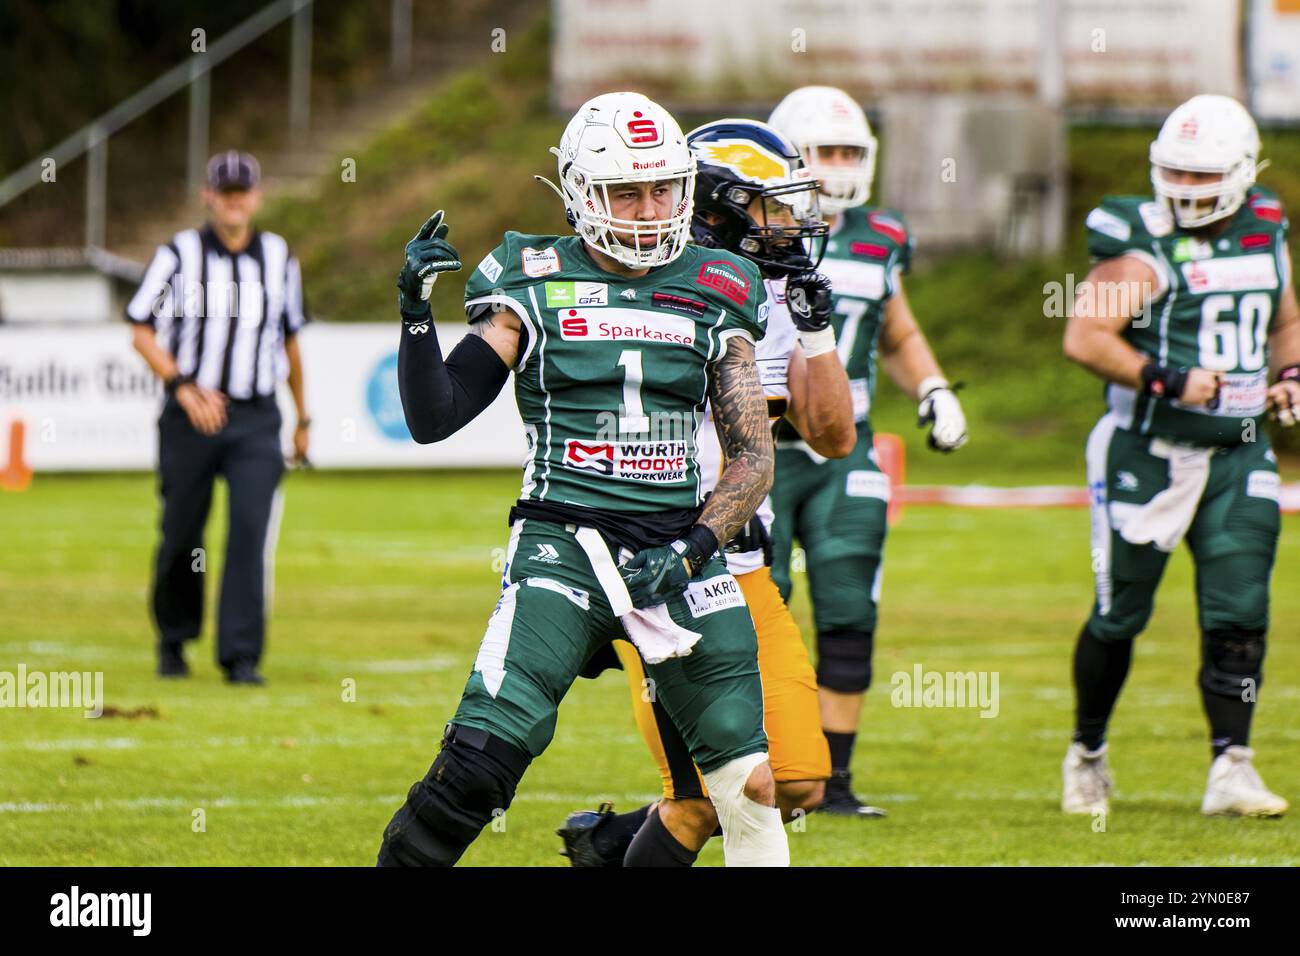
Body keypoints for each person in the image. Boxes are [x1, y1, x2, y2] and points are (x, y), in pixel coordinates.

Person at [376, 91, 790, 867]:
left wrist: (696, 545)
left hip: (677, 553)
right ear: (578, 192)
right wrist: (414, 315)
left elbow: (753, 458)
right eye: (625, 190)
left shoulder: (722, 283)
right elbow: (437, 415)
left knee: (752, 784)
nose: (647, 208)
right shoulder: (528, 275)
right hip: (563, 542)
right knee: (478, 769)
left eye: (663, 187)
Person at [556, 117, 856, 866]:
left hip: (744, 564)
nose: (788, 224)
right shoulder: (649, 286)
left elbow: (833, 438)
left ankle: (611, 844)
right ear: (719, 209)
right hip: (660, 566)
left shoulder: (771, 295)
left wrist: (815, 333)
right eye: (770, 206)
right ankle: (624, 844)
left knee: (800, 782)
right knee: (709, 798)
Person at [1062, 94, 1299, 817]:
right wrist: (1168, 379)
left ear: (1240, 173)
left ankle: (1232, 766)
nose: (1186, 189)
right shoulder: (1143, 239)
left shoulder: (1265, 225)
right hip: (1148, 450)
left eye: (1202, 176)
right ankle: (1087, 753)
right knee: (1119, 614)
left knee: (1241, 605)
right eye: (1175, 172)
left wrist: (1290, 376)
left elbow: (1286, 320)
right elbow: (1085, 336)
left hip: (1238, 453)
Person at [767, 86, 968, 815]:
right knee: (764, 610)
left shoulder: (881, 234)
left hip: (844, 449)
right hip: (759, 447)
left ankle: (835, 780)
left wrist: (934, 389)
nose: (838, 166)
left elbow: (898, 331)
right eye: (824, 151)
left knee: (851, 606)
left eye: (850, 152)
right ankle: (765, 771)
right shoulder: (753, 229)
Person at [125, 150, 311, 685]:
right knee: (183, 529)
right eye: (224, 191)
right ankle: (174, 637)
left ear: (255, 196)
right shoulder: (180, 254)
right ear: (209, 195)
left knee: (250, 527)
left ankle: (241, 654)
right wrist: (181, 385)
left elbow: (292, 340)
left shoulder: (279, 257)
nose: (233, 200)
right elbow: (139, 326)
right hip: (191, 415)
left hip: (256, 416)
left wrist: (303, 418)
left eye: (242, 191)